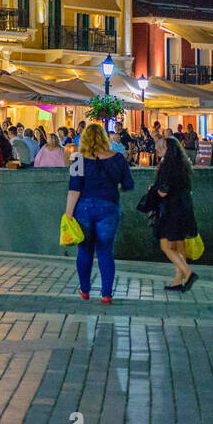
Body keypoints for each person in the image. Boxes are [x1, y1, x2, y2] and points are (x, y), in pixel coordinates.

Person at [63, 123, 134, 304]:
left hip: (84, 209)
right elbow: (128, 184)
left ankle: (85, 289)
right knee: (105, 252)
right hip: (109, 208)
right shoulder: (118, 158)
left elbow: (74, 189)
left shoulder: (78, 159)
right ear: (104, 138)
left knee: (85, 250)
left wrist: (68, 214)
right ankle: (106, 294)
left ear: (84, 138)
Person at [153, 137, 198, 292]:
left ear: (170, 150)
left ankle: (188, 272)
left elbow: (163, 192)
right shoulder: (184, 166)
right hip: (184, 210)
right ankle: (178, 280)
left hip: (171, 211)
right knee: (179, 246)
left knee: (166, 245)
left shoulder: (167, 166)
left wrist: (153, 190)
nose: (158, 149)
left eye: (162, 147)